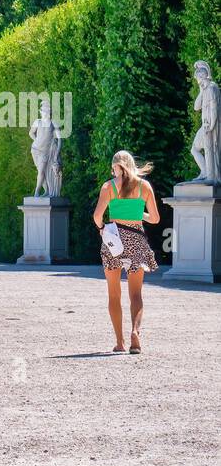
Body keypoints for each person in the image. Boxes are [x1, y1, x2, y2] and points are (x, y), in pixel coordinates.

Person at [94, 150, 159, 354]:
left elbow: (97, 217)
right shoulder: (144, 186)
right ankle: (135, 333)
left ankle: (120, 343)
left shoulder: (109, 187)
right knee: (136, 294)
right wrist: (139, 213)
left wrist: (103, 229)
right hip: (136, 240)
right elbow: (155, 219)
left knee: (114, 294)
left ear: (116, 166)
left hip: (114, 241)